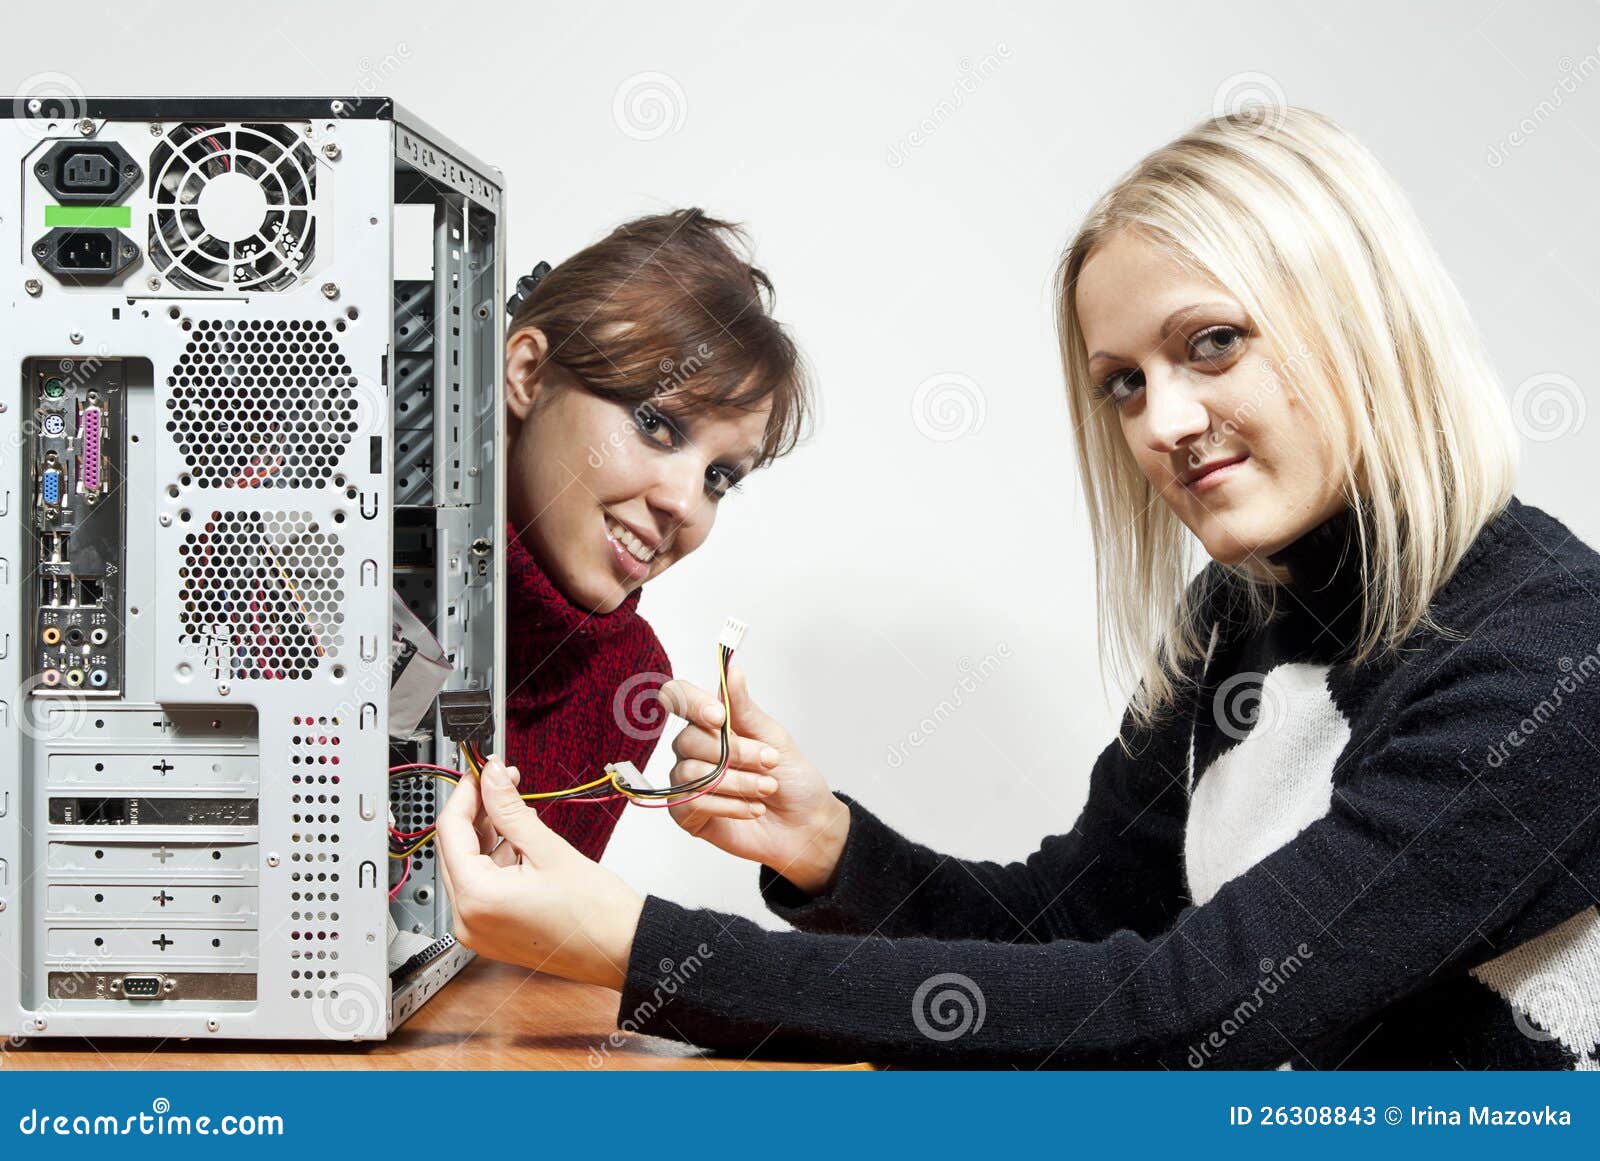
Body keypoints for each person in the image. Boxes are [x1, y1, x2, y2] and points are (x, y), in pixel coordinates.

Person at [436, 109, 1600, 1068]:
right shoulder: (1236, 622)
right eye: (1122, 385)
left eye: (1209, 345)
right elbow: (1067, 932)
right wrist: (833, 849)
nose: (1166, 424)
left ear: (1363, 322)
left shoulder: (1551, 655)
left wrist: (643, 949)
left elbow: (1190, 1010)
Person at [497, 209, 809, 861]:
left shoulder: (624, 682)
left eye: (719, 476)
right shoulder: (298, 560)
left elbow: (520, 956)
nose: (683, 502)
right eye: (657, 424)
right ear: (527, 372)